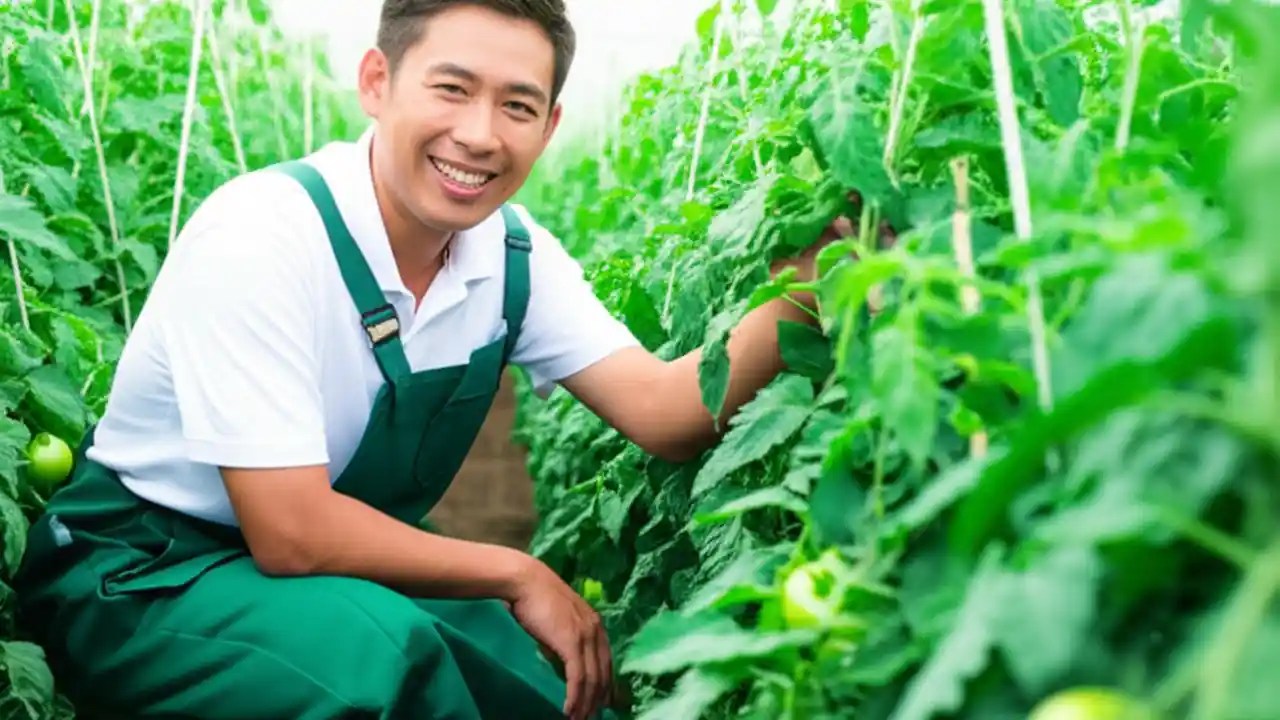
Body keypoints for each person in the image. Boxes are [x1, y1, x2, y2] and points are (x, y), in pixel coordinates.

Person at [14, 1, 848, 719]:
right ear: (377, 82)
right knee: (380, 665)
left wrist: (817, 283)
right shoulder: (264, 235)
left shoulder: (511, 257)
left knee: (532, 674)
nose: (479, 135)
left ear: (549, 125)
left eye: (518, 106)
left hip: (322, 567)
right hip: (144, 576)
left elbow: (667, 411)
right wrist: (516, 571)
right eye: (451, 88)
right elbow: (291, 530)